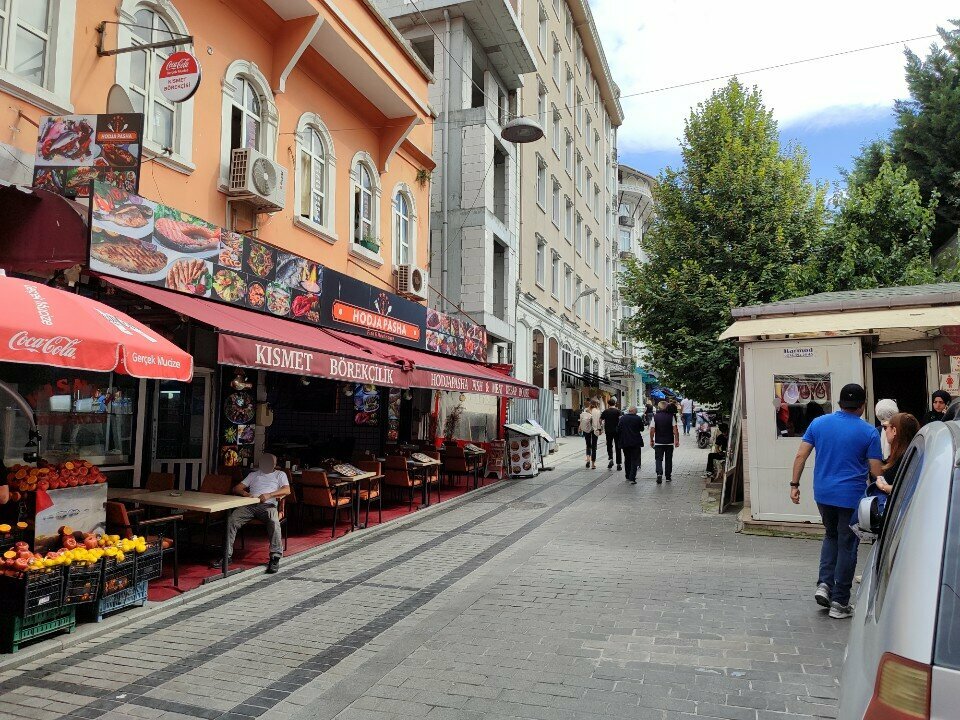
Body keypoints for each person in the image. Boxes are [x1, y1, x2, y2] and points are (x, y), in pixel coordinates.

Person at [789, 383, 882, 619]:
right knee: (848, 543)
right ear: (862, 406)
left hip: (823, 494)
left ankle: (824, 584)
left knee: (831, 535)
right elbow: (875, 472)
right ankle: (840, 602)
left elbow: (801, 454)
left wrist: (794, 485)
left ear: (840, 403)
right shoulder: (869, 432)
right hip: (850, 496)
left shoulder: (818, 423)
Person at [216, 453, 291, 574]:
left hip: (268, 506)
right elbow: (237, 488)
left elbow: (287, 490)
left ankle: (275, 557)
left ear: (275, 464)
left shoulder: (280, 475)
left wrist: (269, 495)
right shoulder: (253, 475)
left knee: (274, 521)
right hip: (249, 505)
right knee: (231, 520)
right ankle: (226, 556)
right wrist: (246, 494)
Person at [875, 412, 920, 495]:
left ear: (894, 430)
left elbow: (905, 490)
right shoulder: (914, 453)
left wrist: (882, 486)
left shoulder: (903, 458)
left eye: (886, 428)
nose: (885, 431)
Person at [649, 400, 679, 484]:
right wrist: (677, 440)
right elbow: (675, 430)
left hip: (658, 442)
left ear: (659, 407)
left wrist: (651, 440)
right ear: (667, 407)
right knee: (668, 459)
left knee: (658, 459)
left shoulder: (655, 417)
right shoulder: (671, 416)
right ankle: (668, 477)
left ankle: (659, 473)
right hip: (669, 442)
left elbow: (652, 430)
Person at [617, 406, 646, 484]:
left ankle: (627, 475)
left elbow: (618, 429)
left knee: (627, 459)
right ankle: (632, 477)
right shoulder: (638, 418)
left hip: (625, 442)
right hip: (635, 442)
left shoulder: (622, 418)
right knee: (634, 459)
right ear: (635, 411)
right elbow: (642, 429)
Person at [600, 398, 624, 470]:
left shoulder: (605, 411)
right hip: (617, 431)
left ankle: (610, 459)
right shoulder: (618, 411)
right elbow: (621, 420)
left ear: (608, 404)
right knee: (618, 447)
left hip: (608, 431)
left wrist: (602, 428)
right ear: (615, 404)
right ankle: (619, 464)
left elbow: (600, 420)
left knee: (609, 445)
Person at [579, 400, 603, 469]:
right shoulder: (598, 411)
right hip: (595, 430)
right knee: (594, 446)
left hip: (587, 429)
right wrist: (600, 430)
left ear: (590, 403)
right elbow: (599, 422)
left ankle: (588, 459)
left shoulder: (586, 410)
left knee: (588, 445)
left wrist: (580, 427)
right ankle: (593, 464)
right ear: (597, 404)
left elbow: (582, 420)